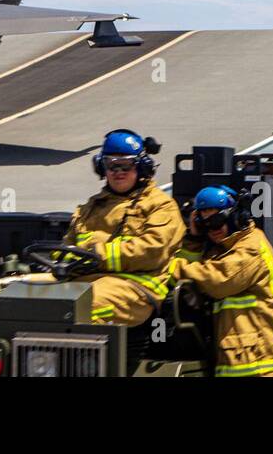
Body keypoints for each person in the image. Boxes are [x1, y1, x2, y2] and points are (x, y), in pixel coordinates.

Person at [168, 186, 273, 377]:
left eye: (216, 221)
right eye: (204, 224)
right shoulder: (219, 250)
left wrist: (171, 267)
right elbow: (193, 266)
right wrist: (194, 237)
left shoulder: (252, 247)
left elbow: (218, 280)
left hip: (268, 369)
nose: (212, 229)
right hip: (244, 367)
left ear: (235, 217)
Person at [60, 129, 185, 325]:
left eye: (126, 166)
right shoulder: (89, 208)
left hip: (136, 287)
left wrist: (97, 256)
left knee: (79, 307)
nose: (118, 172)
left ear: (142, 167)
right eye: (111, 165)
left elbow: (153, 251)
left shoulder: (161, 205)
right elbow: (66, 248)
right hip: (86, 281)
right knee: (22, 301)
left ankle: (85, 355)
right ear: (101, 167)